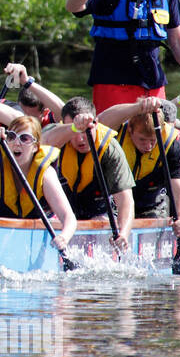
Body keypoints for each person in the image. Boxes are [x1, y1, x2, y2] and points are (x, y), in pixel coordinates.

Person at [0, 116, 78, 251]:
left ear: (35, 147)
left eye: (24, 138)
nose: (16, 143)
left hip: (39, 231)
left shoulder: (46, 174)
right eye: (11, 137)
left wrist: (63, 238)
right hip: (2, 227)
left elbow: (68, 217)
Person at [40, 97, 135, 251]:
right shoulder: (55, 136)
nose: (81, 138)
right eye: (76, 130)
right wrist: (72, 128)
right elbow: (42, 140)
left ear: (96, 124)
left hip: (98, 211)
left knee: (104, 219)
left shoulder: (110, 148)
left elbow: (125, 200)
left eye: (86, 130)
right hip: (61, 211)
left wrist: (123, 233)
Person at [98, 96, 180, 237]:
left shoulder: (171, 146)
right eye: (142, 139)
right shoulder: (118, 133)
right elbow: (100, 121)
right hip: (115, 204)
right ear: (130, 129)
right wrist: (138, 107)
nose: (148, 146)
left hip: (151, 204)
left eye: (153, 141)